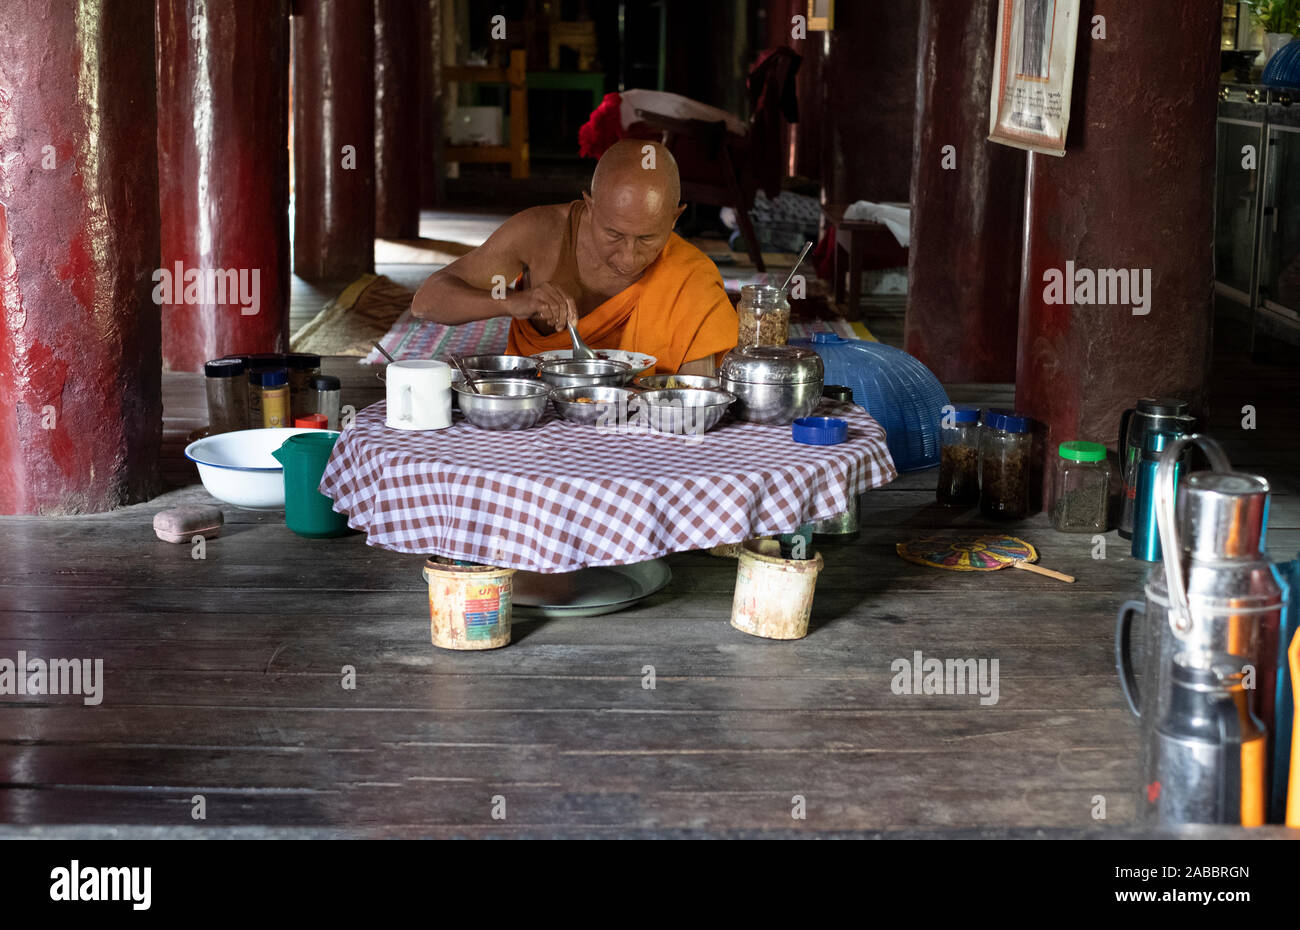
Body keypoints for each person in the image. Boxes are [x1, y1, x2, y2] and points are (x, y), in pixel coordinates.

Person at [410, 140, 737, 375]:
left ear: (675, 218)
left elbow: (696, 395)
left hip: (642, 429)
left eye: (647, 239)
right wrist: (510, 302)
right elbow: (427, 300)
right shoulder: (541, 232)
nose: (628, 257)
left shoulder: (690, 275)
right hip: (536, 418)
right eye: (614, 235)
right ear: (590, 207)